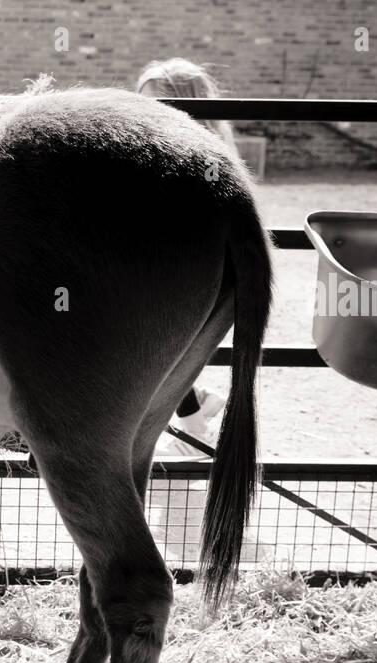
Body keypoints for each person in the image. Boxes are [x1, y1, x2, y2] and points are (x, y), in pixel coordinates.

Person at [137, 58, 234, 455]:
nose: (144, 113)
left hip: (191, 272)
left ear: (187, 105)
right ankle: (198, 401)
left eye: (157, 103)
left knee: (147, 341)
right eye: (140, 102)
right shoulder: (155, 145)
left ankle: (194, 431)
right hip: (165, 265)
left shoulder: (204, 154)